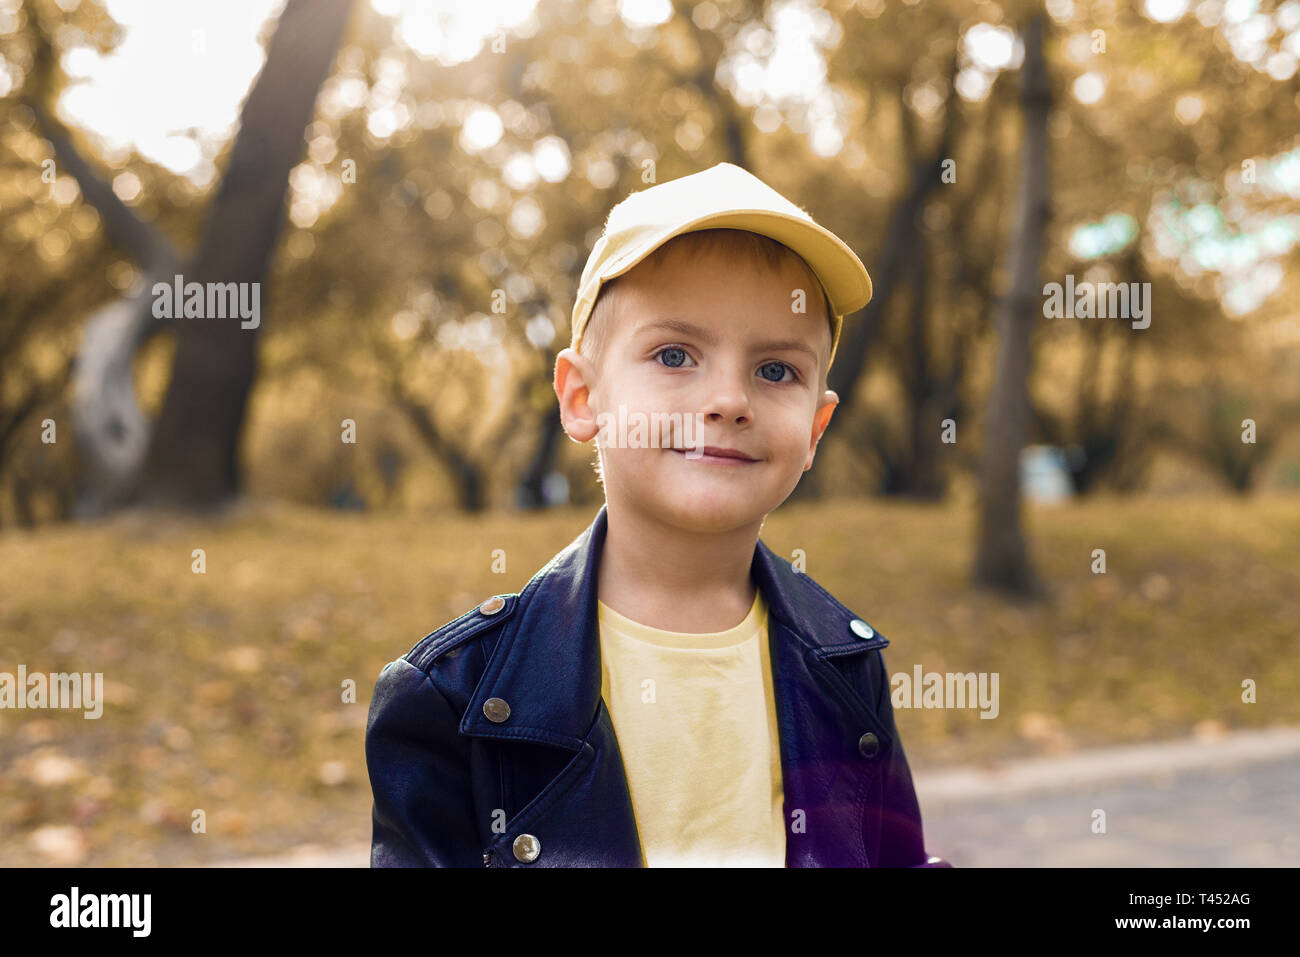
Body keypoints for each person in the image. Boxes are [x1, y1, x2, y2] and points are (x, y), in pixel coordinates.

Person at [365, 162, 948, 867]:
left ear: (816, 428)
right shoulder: (451, 697)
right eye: (675, 354)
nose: (729, 398)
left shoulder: (846, 667)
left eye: (776, 370)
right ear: (582, 398)